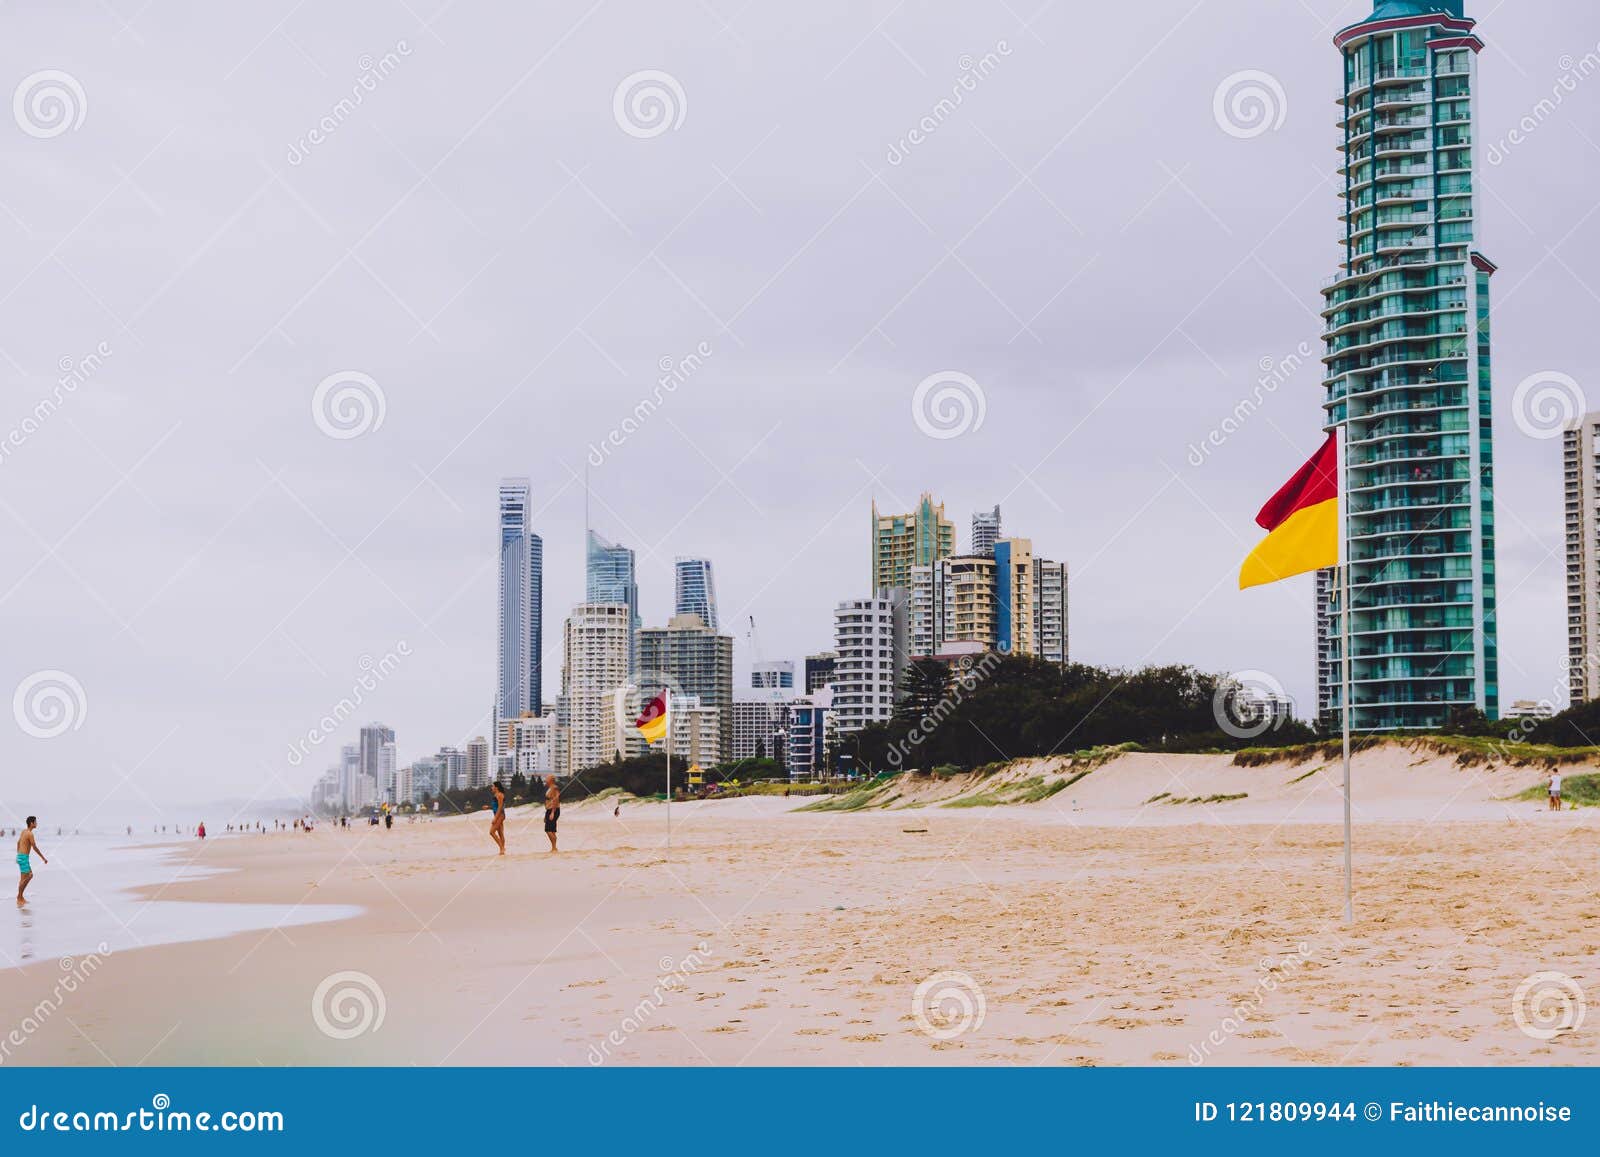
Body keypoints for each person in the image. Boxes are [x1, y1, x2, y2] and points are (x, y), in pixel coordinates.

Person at [16, 817, 46, 906]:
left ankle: (21, 898)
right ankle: (19, 897)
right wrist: (43, 858)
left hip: (21, 856)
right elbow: (34, 847)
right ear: (31, 823)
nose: (37, 823)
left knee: (23, 878)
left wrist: (18, 855)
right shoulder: (30, 834)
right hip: (24, 858)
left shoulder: (23, 831)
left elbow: (18, 843)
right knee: (29, 876)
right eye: (35, 822)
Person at [488, 780, 506, 855]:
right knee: (500, 833)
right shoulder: (496, 795)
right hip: (498, 814)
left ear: (496, 787)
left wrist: (495, 818)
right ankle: (502, 849)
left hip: (500, 815)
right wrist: (488, 807)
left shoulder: (499, 795)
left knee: (491, 832)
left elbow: (500, 807)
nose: (492, 788)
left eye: (493, 786)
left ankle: (502, 848)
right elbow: (495, 806)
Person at [543, 775, 561, 853]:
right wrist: (545, 814)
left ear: (551, 780)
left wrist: (552, 812)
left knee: (548, 830)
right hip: (549, 810)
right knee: (551, 830)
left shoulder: (554, 788)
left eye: (547, 778)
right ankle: (554, 848)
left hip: (553, 810)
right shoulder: (550, 788)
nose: (545, 780)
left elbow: (556, 800)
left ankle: (554, 847)